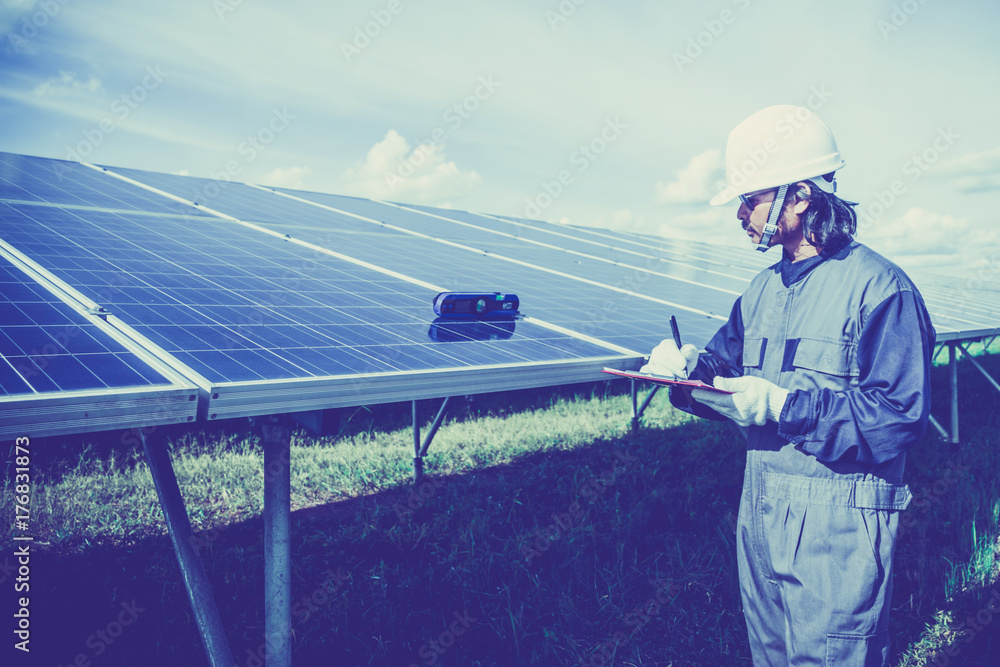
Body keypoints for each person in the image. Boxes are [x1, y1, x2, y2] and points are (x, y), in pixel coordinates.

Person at [641, 105, 935, 665]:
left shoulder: (881, 289)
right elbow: (725, 376)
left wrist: (785, 407)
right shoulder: (760, 291)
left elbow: (898, 416)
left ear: (799, 196)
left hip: (840, 525)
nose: (740, 213)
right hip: (760, 513)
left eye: (749, 198)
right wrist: (685, 375)